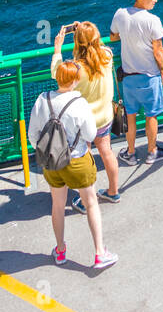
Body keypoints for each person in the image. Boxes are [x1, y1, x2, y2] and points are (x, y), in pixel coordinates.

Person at [27, 60, 118, 270]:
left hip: (51, 161)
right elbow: (90, 134)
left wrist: (48, 150)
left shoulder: (42, 100)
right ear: (75, 80)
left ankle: (60, 250)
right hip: (77, 160)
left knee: (57, 206)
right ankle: (99, 253)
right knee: (91, 203)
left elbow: (33, 134)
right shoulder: (79, 103)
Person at [51, 22, 120, 212]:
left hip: (83, 123)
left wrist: (58, 49)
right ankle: (113, 192)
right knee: (107, 152)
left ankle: (87, 199)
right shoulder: (107, 56)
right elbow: (98, 46)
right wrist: (86, 30)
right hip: (104, 117)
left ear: (77, 43)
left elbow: (57, 74)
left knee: (85, 158)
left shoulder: (76, 69)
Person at [110, 0, 163, 165]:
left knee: (130, 116)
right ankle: (152, 151)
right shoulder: (153, 20)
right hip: (149, 76)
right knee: (151, 115)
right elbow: (158, 51)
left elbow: (113, 36)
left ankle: (130, 153)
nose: (156, 0)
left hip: (129, 78)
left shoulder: (120, 14)